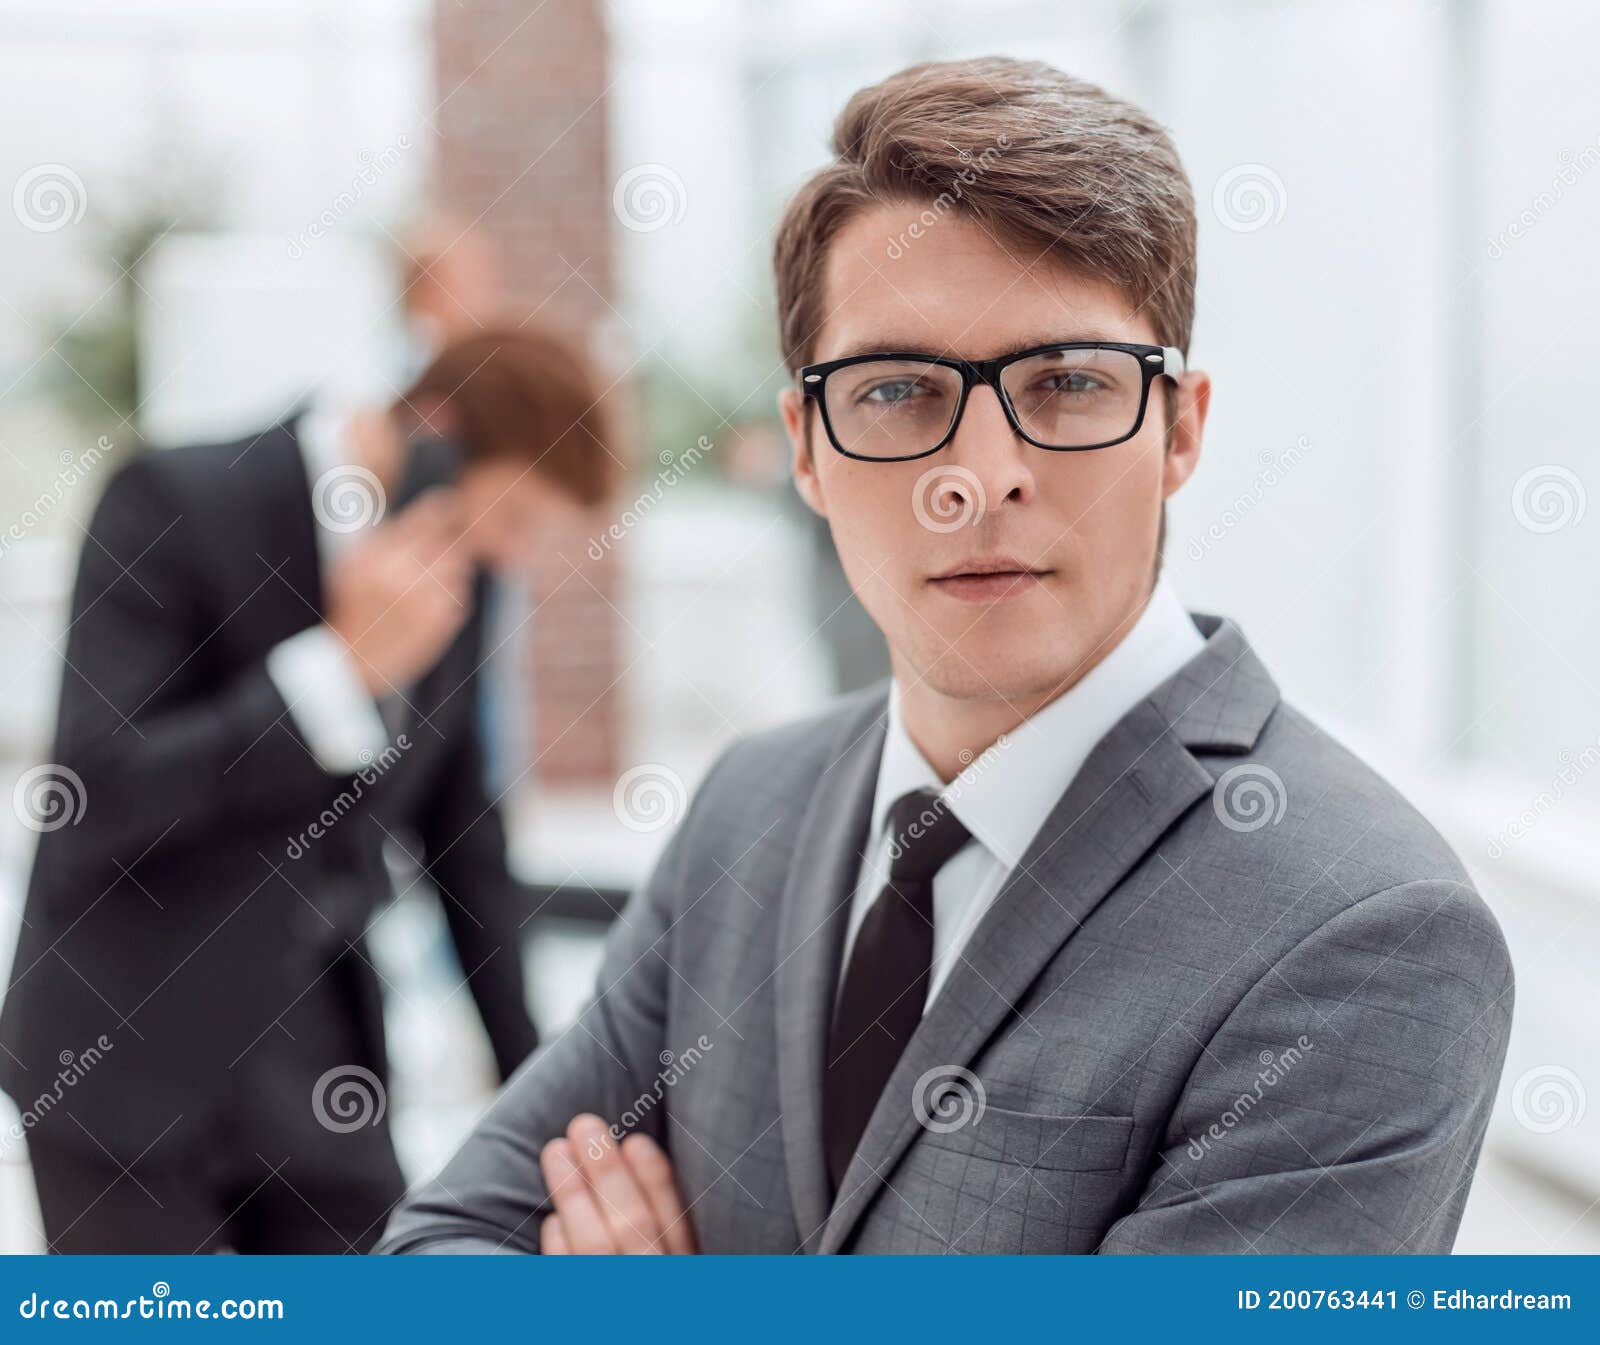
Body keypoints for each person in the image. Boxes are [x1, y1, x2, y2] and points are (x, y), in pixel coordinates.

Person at [378, 57, 1513, 1256]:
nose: (978, 473)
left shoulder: (1366, 930)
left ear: (1179, 429)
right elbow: (440, 1245)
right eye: (899, 392)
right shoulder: (751, 804)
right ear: (807, 449)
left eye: (1066, 383)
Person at [0, 327, 612, 1253]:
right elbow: (100, 793)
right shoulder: (173, 497)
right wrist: (340, 671)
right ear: (436, 434)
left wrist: (543, 1097)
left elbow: (463, 843)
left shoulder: (462, 565)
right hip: (125, 1079)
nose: (512, 554)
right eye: (518, 518)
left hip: (320, 1082)